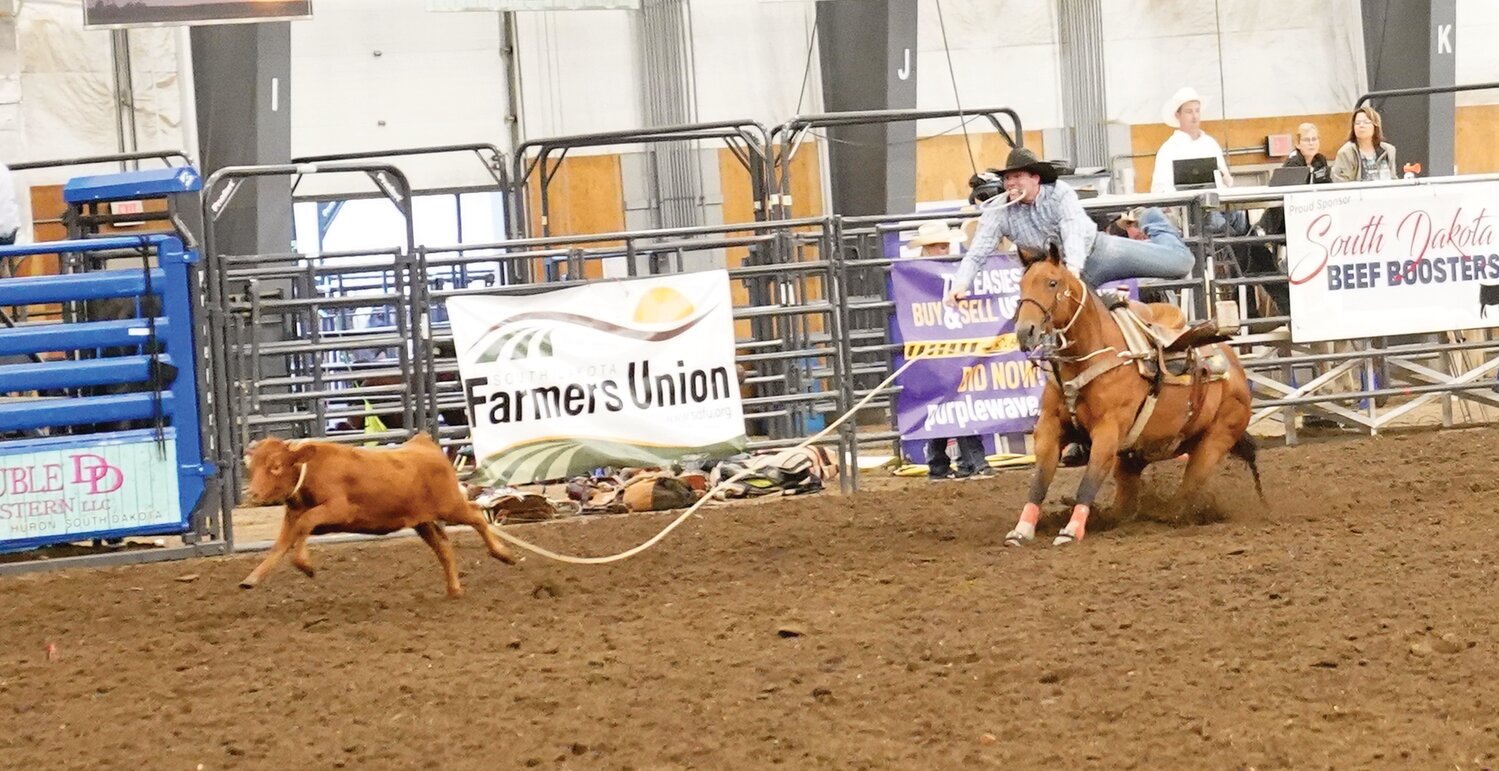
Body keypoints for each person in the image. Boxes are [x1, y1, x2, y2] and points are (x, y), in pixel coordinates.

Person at [949, 146, 1195, 300]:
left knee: (1181, 264)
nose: (1011, 183)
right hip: (1055, 275)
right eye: (1007, 179)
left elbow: (1072, 230)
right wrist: (961, 283)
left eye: (1017, 177)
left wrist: (1074, 269)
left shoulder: (1060, 193)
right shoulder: (998, 210)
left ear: (1035, 178)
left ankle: (1152, 219)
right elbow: (977, 253)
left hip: (1098, 253)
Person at [905, 221, 991, 481]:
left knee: (949, 401)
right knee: (948, 401)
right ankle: (968, 463)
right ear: (925, 250)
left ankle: (946, 465)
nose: (942, 251)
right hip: (933, 348)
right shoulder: (918, 276)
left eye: (944, 246)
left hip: (950, 345)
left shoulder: (948, 274)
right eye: (935, 247)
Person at [1331, 106, 1397, 182]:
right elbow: (1341, 184)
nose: (1361, 126)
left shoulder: (1388, 150)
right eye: (1357, 123)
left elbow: (1393, 180)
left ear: (1375, 126)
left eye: (1366, 122)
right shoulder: (1345, 152)